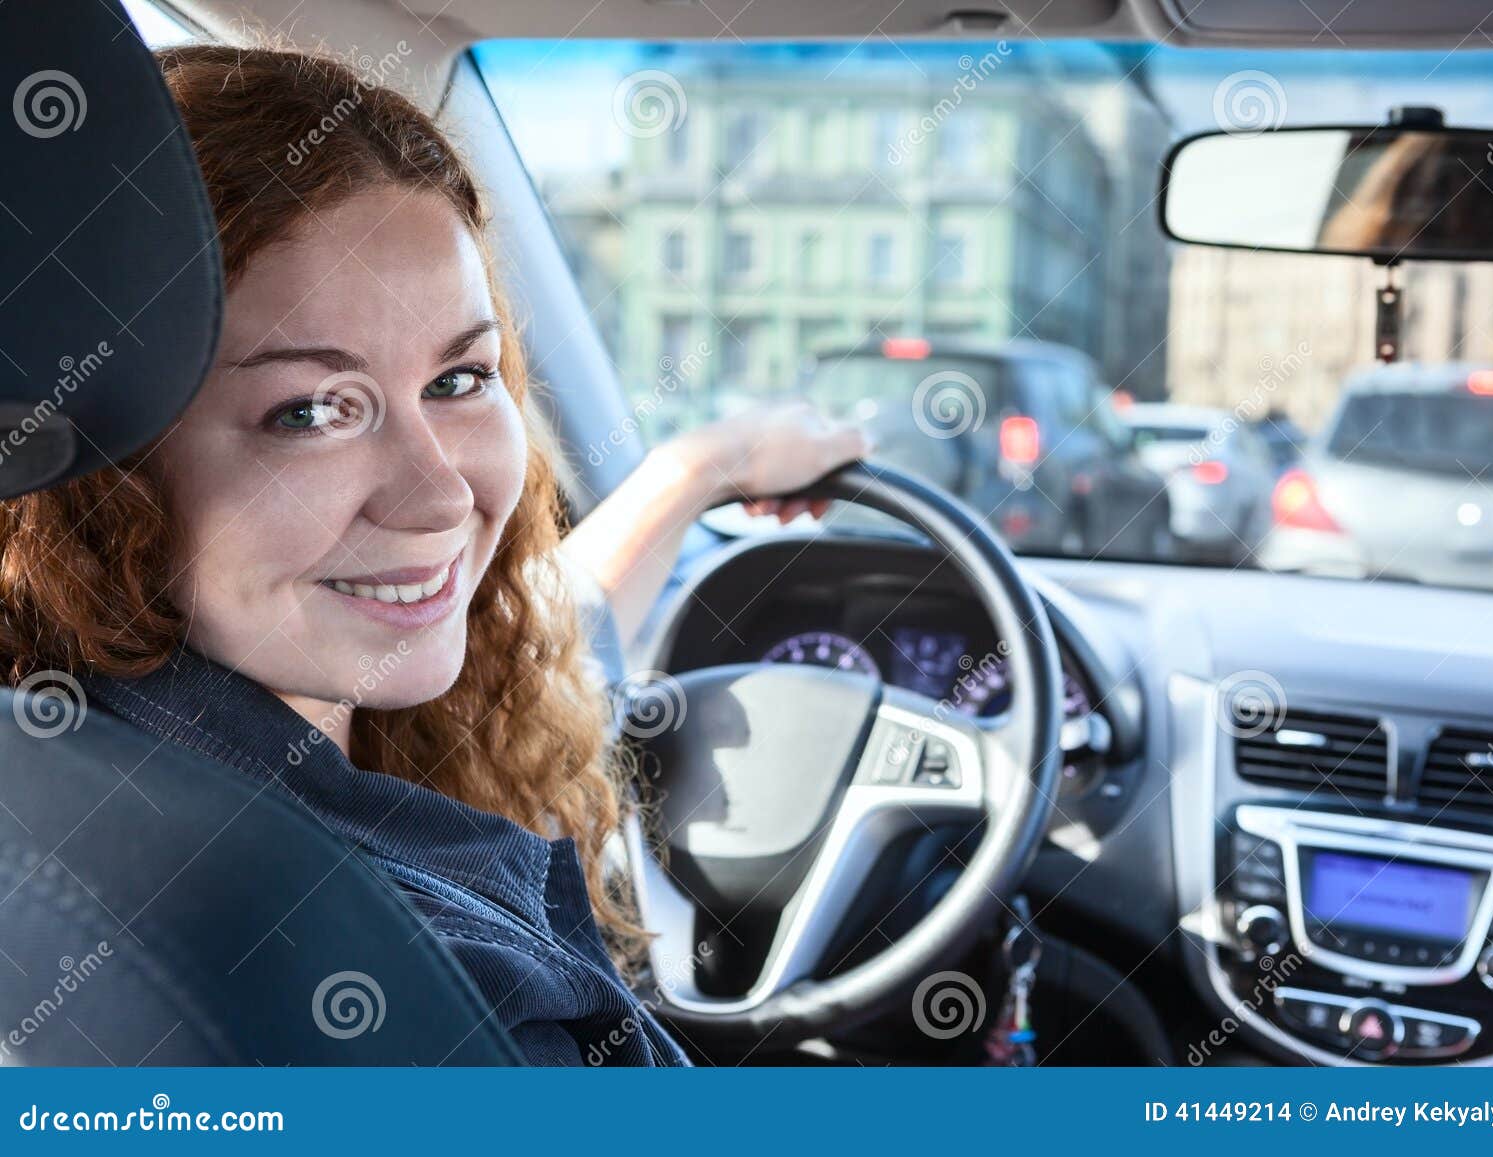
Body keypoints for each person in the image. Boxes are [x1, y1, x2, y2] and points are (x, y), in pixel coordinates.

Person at [0, 45, 866, 1066]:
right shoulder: (431, 994)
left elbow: (551, 632)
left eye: (459, 378)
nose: (443, 493)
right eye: (311, 411)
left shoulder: (66, 758)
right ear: (107, 470)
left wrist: (698, 468)